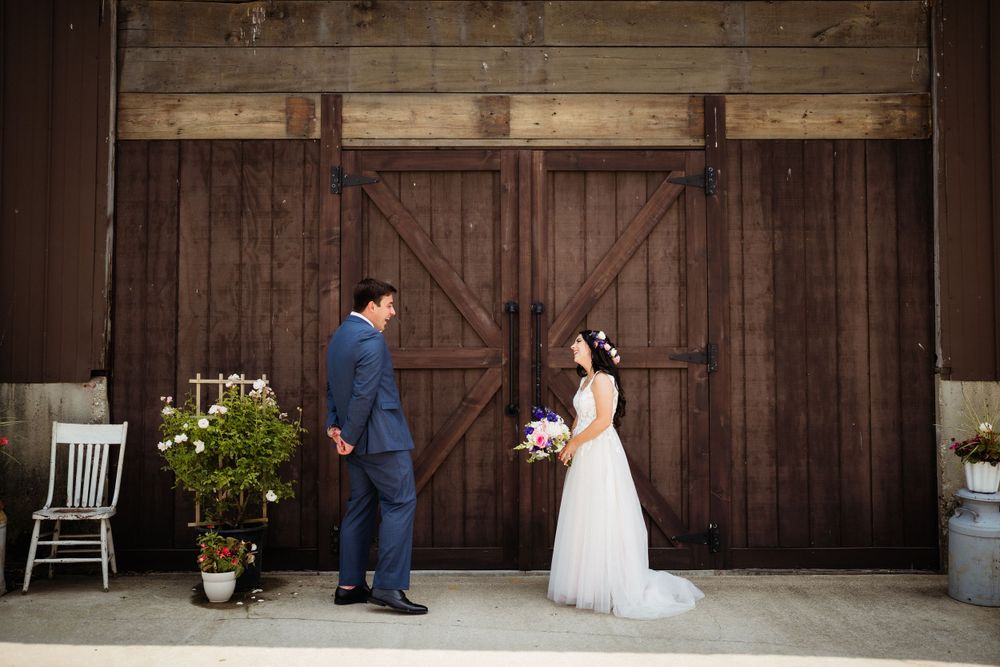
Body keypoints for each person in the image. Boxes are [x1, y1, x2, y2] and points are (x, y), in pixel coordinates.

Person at [548, 329, 704, 619]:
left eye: (577, 342)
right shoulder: (585, 380)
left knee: (604, 513)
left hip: (600, 453)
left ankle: (608, 584)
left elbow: (604, 421)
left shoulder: (603, 380)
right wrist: (564, 441)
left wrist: (574, 442)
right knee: (584, 515)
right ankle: (584, 583)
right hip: (585, 453)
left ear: (594, 348)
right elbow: (581, 418)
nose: (572, 347)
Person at [326, 278, 427, 614]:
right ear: (371, 307)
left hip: (355, 441)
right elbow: (364, 394)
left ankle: (349, 585)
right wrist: (349, 437)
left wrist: (336, 428)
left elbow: (333, 388)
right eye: (389, 305)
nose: (392, 312)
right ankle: (387, 586)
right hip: (382, 440)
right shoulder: (371, 338)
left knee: (360, 506)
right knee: (400, 502)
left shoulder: (340, 336)